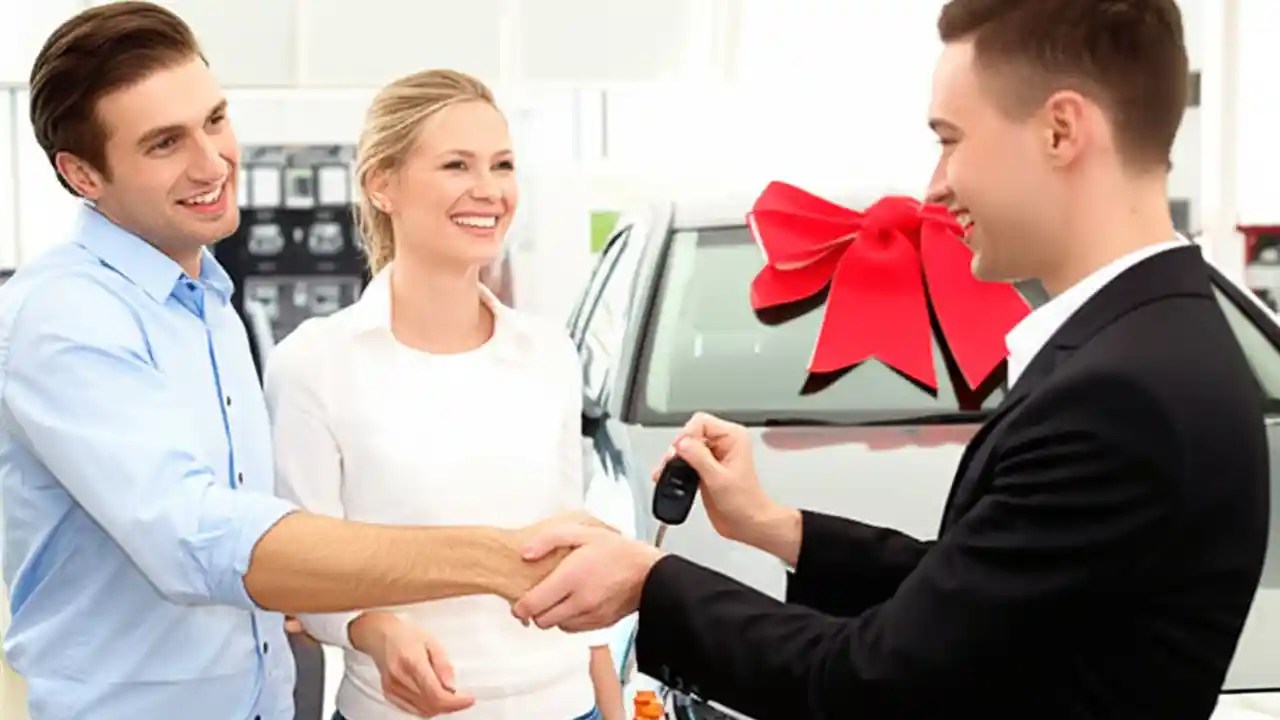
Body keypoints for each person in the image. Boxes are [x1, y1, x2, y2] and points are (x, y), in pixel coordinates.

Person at [510, 0, 1271, 717]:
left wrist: (652, 584)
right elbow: (977, 599)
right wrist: (775, 526)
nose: (935, 187)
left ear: (1060, 131)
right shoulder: (1157, 341)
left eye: (950, 139)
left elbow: (880, 682)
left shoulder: (1121, 395)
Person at [0, 5, 593, 719]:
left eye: (215, 120)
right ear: (81, 174)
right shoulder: (63, 316)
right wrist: (493, 560)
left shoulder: (207, 304)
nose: (212, 162)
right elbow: (195, 537)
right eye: (165, 144)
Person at [263, 69, 624, 720]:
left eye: (502, 165)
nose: (489, 190)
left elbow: (574, 560)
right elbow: (302, 572)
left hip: (568, 705)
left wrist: (610, 707)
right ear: (382, 184)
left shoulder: (549, 353)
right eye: (457, 165)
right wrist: (374, 630)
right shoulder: (314, 364)